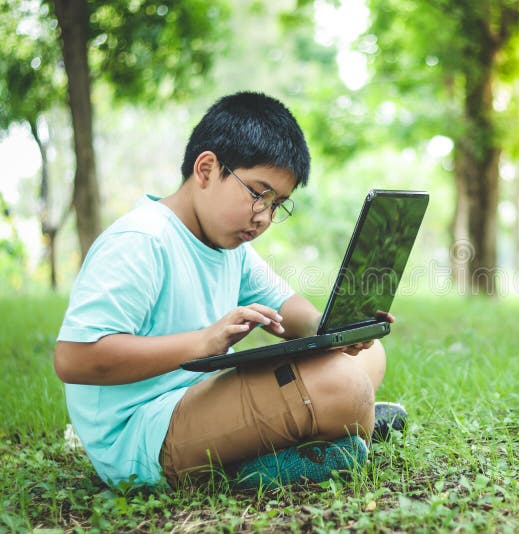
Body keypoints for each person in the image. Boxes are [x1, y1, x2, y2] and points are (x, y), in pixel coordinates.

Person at [53, 91, 406, 489]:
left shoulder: (231, 248)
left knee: (368, 356)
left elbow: (297, 316)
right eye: (259, 193)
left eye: (277, 205)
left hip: (206, 398)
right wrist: (203, 342)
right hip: (145, 433)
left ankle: (326, 432)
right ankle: (323, 433)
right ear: (206, 169)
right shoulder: (141, 240)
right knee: (343, 385)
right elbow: (74, 359)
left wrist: (342, 331)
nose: (264, 217)